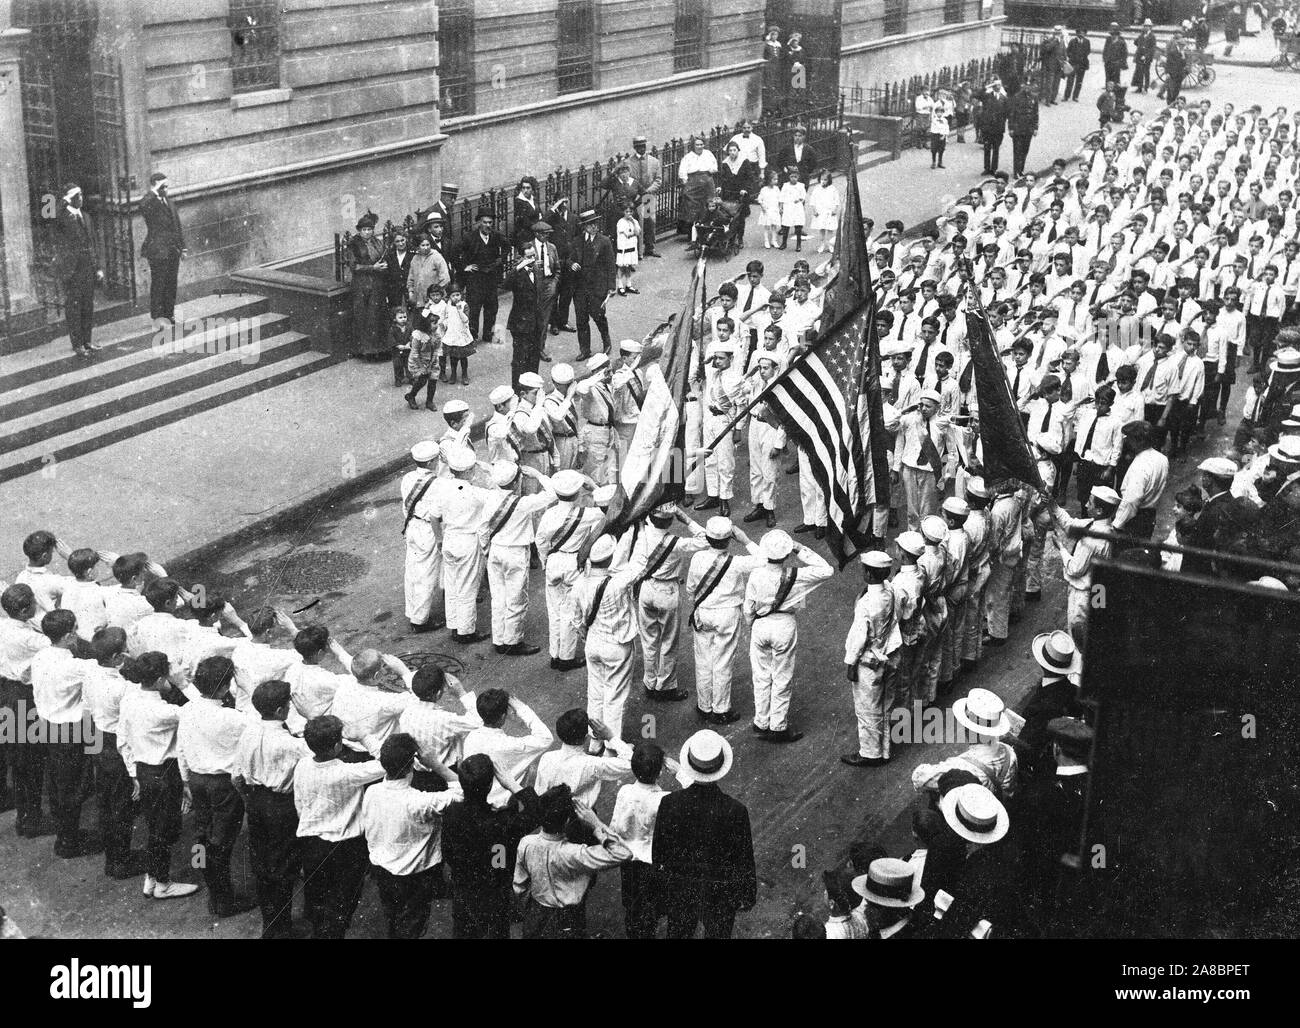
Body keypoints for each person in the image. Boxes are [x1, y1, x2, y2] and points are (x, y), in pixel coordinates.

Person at [653, 729, 756, 939]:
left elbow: (659, 852)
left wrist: (662, 889)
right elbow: (743, 858)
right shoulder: (735, 810)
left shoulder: (670, 803)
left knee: (678, 933)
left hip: (682, 887)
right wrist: (747, 894)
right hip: (719, 891)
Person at [116, 651, 201, 901]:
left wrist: (133, 774)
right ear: (160, 678)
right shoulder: (163, 711)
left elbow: (122, 741)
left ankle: (152, 876)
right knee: (166, 830)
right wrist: (183, 683)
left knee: (155, 826)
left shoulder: (130, 700)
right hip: (165, 774)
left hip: (143, 770)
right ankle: (163, 883)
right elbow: (199, 709)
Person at [360, 733, 462, 939]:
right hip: (414, 877)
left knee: (393, 917)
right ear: (411, 766)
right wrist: (436, 765)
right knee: (412, 926)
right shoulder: (420, 802)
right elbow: (462, 791)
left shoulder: (371, 791)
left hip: (382, 870)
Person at [178, 655, 257, 916]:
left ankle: (212, 888)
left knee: (203, 834)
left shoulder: (188, 710)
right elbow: (256, 726)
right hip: (222, 785)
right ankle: (223, 900)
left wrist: (186, 780)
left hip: (197, 779)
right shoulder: (231, 718)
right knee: (221, 843)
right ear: (224, 688)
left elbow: (181, 749)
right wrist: (248, 687)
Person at [233, 679, 312, 939]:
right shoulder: (290, 744)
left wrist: (249, 799)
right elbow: (315, 754)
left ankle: (271, 923)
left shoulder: (248, 733)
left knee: (262, 863)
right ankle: (281, 928)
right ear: (281, 710)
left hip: (255, 800)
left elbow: (236, 776)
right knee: (283, 866)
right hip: (281, 805)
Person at [294, 715, 384, 939]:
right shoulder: (348, 772)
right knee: (342, 903)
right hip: (346, 847)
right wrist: (365, 737)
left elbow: (299, 804)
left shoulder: (303, 765)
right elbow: (390, 762)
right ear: (337, 745)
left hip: (312, 843)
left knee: (317, 900)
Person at [744, 529, 833, 743]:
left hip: (760, 625)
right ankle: (778, 726)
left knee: (761, 676)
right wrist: (799, 548)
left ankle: (761, 722)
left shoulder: (756, 574)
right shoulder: (796, 575)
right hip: (784, 625)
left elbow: (748, 608)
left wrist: (752, 625)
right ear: (786, 555)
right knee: (782, 677)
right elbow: (826, 570)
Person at [513, 784, 632, 938]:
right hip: (568, 918)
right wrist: (596, 824)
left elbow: (519, 886)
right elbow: (624, 853)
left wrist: (530, 909)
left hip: (536, 913)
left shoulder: (526, 843)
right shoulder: (575, 853)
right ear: (568, 820)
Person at [441, 753, 539, 938]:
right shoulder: (502, 823)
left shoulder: (452, 813)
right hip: (494, 894)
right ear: (490, 785)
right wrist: (511, 784)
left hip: (464, 890)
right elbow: (536, 811)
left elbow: (448, 853)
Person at [30, 609, 95, 857]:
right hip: (69, 730)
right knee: (73, 787)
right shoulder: (73, 665)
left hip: (47, 724)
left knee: (59, 784)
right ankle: (69, 841)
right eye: (76, 630)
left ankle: (66, 834)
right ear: (68, 636)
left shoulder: (40, 657)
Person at [570, 534, 646, 742]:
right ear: (610, 558)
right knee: (615, 699)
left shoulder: (578, 584)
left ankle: (595, 742)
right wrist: (641, 533)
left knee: (595, 695)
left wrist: (585, 635)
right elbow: (640, 562)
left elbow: (576, 620)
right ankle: (612, 746)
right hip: (617, 645)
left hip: (593, 643)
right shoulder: (618, 582)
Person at [841, 550, 902, 768]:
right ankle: (884, 749)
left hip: (869, 658)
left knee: (867, 707)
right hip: (889, 652)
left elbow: (858, 637)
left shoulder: (866, 604)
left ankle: (870, 753)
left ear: (868, 573)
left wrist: (850, 663)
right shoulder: (891, 590)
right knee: (885, 703)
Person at [462, 689, 554, 807]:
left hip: (475, 799)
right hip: (501, 804)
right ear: (502, 717)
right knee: (532, 769)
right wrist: (521, 708)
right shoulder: (508, 745)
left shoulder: (471, 737)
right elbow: (546, 738)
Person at [54, 183, 103, 357]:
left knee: (87, 305)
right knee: (74, 306)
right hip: (72, 270)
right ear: (70, 199)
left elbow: (92, 244)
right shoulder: (63, 217)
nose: (81, 199)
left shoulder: (86, 217)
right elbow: (51, 215)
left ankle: (87, 341)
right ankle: (77, 344)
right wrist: (64, 200)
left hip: (87, 267)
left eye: (81, 195)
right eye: (77, 196)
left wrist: (97, 268)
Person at [139, 171, 186, 325]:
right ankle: (158, 317)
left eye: (167, 187)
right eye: (163, 187)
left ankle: (169, 313)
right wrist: (154, 191)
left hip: (172, 250)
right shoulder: (150, 202)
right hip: (158, 251)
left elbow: (177, 226)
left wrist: (182, 247)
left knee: (171, 283)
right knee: (159, 284)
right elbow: (143, 206)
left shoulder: (169, 202)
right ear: (156, 186)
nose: (166, 190)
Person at [459, 209, 509, 345]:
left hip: (491, 277)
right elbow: (458, 253)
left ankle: (488, 333)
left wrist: (501, 260)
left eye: (490, 222)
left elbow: (507, 246)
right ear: (479, 223)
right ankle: (472, 336)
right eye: (485, 222)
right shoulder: (469, 237)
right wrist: (465, 266)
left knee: (492, 307)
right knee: (474, 308)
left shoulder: (496, 236)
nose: (488, 225)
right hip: (475, 278)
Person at [571, 209, 616, 360]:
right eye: (590, 225)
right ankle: (585, 350)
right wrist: (572, 264)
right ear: (584, 227)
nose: (594, 227)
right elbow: (568, 259)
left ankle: (606, 341)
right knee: (581, 320)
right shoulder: (577, 241)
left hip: (597, 287)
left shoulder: (604, 241)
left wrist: (611, 287)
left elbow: (611, 265)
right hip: (580, 288)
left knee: (598, 316)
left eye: (595, 224)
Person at [346, 211, 389, 356]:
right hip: (362, 285)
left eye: (369, 229)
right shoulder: (353, 244)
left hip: (377, 283)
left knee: (377, 315)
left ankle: (379, 349)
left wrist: (383, 265)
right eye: (364, 230)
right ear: (359, 230)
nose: (367, 232)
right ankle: (365, 350)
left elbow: (382, 255)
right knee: (364, 317)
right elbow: (354, 267)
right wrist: (373, 268)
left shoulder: (376, 242)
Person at [627, 135, 663, 258]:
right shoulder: (628, 162)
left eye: (643, 146)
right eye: (638, 146)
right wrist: (636, 194)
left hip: (648, 197)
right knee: (635, 223)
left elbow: (658, 180)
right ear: (634, 147)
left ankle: (650, 247)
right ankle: (637, 250)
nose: (641, 149)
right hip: (635, 198)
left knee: (650, 222)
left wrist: (648, 191)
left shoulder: (654, 161)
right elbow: (628, 180)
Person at [977, 79, 1009, 174]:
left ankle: (994, 169)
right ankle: (987, 168)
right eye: (995, 85)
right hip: (987, 128)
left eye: (999, 85)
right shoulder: (987, 96)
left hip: (998, 128)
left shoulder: (1004, 98)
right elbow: (977, 94)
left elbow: (1007, 113)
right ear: (993, 86)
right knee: (987, 148)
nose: (997, 87)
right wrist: (987, 86)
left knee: (996, 149)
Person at [1008, 83, 1040, 178]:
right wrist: (1011, 128)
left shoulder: (1034, 97)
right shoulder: (1017, 97)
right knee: (1017, 151)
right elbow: (1011, 114)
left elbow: (1035, 113)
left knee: (1025, 150)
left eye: (1029, 86)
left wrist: (1035, 128)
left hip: (1028, 129)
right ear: (1023, 86)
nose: (1027, 87)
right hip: (1018, 128)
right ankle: (1016, 172)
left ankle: (1021, 170)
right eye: (1026, 85)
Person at [614, 203, 642, 296]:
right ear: (623, 212)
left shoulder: (634, 221)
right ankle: (620, 286)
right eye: (627, 212)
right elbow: (628, 234)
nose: (629, 213)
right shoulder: (620, 222)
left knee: (628, 266)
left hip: (632, 247)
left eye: (630, 211)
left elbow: (638, 232)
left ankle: (629, 285)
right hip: (623, 248)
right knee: (622, 267)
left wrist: (633, 222)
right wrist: (634, 232)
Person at [778, 164, 807, 251]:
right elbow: (782, 197)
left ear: (798, 177)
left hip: (797, 207)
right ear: (789, 177)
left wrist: (799, 199)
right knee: (786, 226)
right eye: (791, 176)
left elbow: (803, 196)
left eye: (795, 177)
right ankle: (784, 243)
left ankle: (798, 244)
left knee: (798, 227)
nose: (793, 178)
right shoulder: (785, 185)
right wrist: (781, 207)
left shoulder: (801, 186)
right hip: (788, 207)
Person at [1064, 28, 1091, 103]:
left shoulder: (1087, 41)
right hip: (1073, 63)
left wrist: (1082, 57)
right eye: (1080, 33)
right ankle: (1066, 96)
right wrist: (1073, 57)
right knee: (1070, 81)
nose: (1081, 34)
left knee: (1079, 81)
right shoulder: (1072, 41)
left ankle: (1075, 96)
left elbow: (1088, 51)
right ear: (1077, 33)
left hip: (1082, 64)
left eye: (1083, 33)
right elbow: (1068, 51)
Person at [1132, 18, 1157, 93]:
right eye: (1145, 26)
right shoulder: (1142, 35)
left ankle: (1145, 88)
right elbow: (1135, 42)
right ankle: (1139, 87)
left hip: (1147, 57)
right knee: (1139, 72)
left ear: (1150, 27)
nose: (1146, 27)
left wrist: (1146, 55)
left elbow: (1152, 48)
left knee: (1146, 72)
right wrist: (1140, 47)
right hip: (1140, 56)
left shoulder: (1152, 36)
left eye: (1147, 26)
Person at [1102, 22, 1128, 88]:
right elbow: (1105, 50)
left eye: (1115, 34)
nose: (1113, 36)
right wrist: (1105, 59)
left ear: (1118, 35)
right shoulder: (1108, 40)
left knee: (1116, 79)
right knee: (1108, 77)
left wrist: (1122, 62)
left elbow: (1125, 53)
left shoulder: (1121, 42)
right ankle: (1108, 90)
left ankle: (1116, 90)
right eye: (1112, 34)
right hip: (1108, 63)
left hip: (1116, 63)